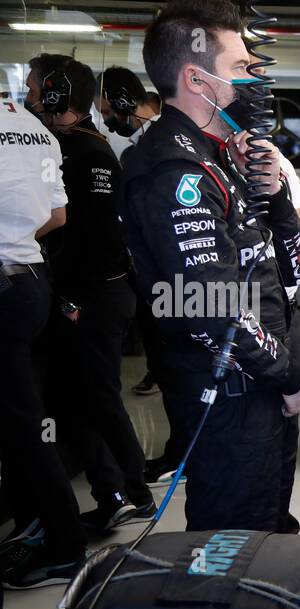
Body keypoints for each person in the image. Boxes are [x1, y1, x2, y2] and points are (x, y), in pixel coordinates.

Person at [121, 0, 300, 534]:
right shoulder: (171, 168)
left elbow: (288, 275)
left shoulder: (224, 155)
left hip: (262, 381)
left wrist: (274, 198)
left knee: (273, 533)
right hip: (227, 392)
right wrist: (290, 375)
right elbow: (209, 302)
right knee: (233, 546)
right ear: (195, 79)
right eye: (240, 69)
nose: (253, 81)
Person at [39, 57, 157, 534]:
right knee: (76, 400)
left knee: (100, 399)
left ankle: (135, 493)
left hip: (97, 294)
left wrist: (70, 297)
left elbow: (95, 235)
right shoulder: (74, 145)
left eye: (35, 87)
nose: (29, 96)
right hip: (93, 291)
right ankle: (115, 492)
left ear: (55, 93)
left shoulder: (87, 153)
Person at [0, 93, 87, 589]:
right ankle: (37, 523)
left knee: (25, 427)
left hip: (5, 284)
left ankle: (65, 548)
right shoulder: (38, 128)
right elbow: (57, 216)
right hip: (31, 279)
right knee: (22, 418)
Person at [97, 66, 169, 401]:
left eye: (109, 112)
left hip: (168, 272)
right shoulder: (133, 148)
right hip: (145, 269)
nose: (108, 121)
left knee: (173, 365)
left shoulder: (160, 142)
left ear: (127, 102)